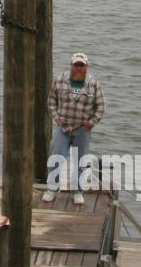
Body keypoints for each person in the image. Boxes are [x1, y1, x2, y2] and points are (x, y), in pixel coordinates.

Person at [42, 52, 105, 207]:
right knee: (55, 158)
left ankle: (77, 191)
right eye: (76, 65)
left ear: (86, 67)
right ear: (71, 66)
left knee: (81, 161)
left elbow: (101, 108)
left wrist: (91, 123)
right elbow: (51, 101)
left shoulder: (93, 84)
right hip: (63, 127)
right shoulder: (60, 80)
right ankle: (52, 189)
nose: (78, 68)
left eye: (81, 65)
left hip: (82, 130)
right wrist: (56, 117)